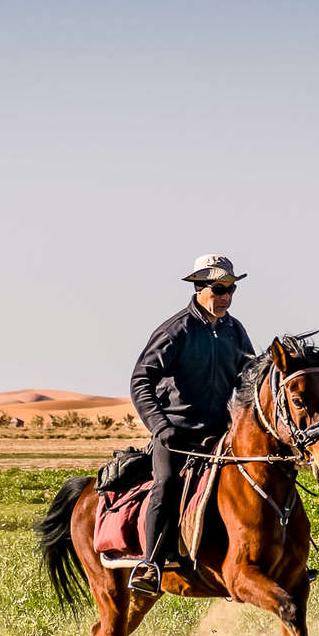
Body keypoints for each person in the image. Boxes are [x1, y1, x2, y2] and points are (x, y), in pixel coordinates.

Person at [127, 254, 254, 596]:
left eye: (231, 288)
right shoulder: (176, 330)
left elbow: (249, 380)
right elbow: (141, 380)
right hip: (176, 435)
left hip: (220, 434)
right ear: (199, 288)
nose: (225, 296)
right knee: (166, 485)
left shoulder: (234, 330)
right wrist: (159, 425)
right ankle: (151, 565)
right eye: (218, 288)